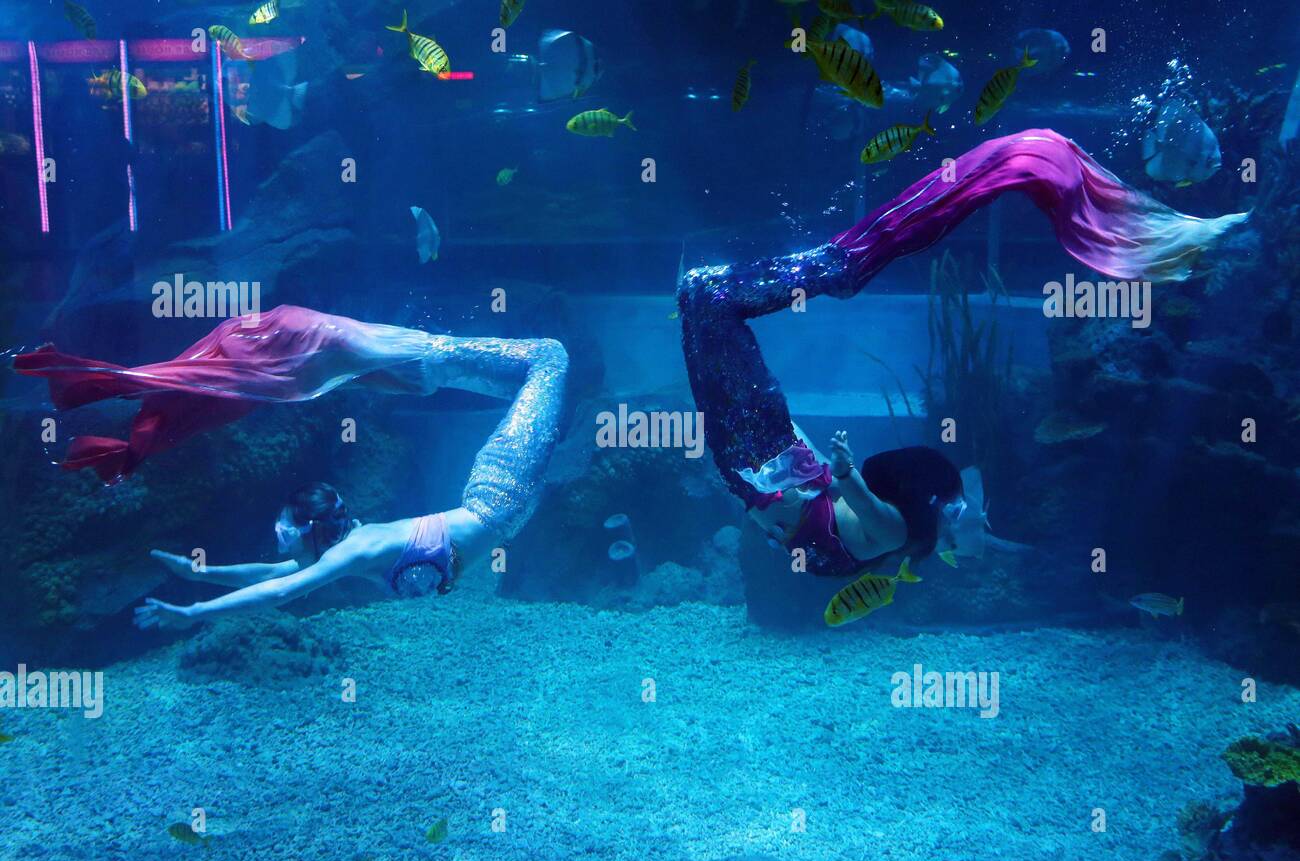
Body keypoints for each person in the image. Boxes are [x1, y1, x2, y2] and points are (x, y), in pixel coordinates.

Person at [678, 128, 1247, 575]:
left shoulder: (892, 531)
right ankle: (844, 265)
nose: (957, 514)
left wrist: (836, 469)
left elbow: (854, 495)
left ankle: (841, 266)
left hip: (764, 456)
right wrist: (839, 471)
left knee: (705, 297)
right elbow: (857, 496)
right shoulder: (893, 532)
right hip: (761, 455)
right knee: (706, 294)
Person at [14, 307, 568, 627]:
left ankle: (387, 353)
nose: (278, 544)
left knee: (548, 356)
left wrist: (192, 613)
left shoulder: (354, 551)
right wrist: (201, 575)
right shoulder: (352, 550)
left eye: (283, 534)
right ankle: (393, 357)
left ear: (307, 531)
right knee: (533, 364)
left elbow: (281, 591)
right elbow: (277, 577)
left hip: (501, 497)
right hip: (502, 499)